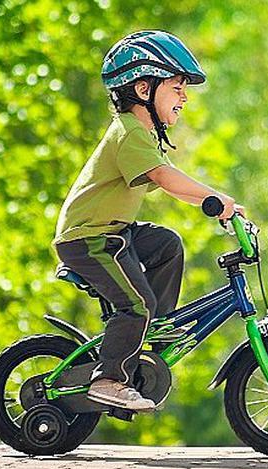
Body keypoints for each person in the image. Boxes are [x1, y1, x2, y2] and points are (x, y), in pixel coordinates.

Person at [52, 30, 244, 411]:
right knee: (135, 305)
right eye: (176, 87)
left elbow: (176, 185)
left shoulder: (142, 134)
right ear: (143, 89)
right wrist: (214, 198)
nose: (184, 97)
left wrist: (215, 204)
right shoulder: (129, 132)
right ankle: (109, 378)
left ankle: (154, 330)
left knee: (167, 244)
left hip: (113, 234)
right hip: (88, 239)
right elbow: (165, 179)